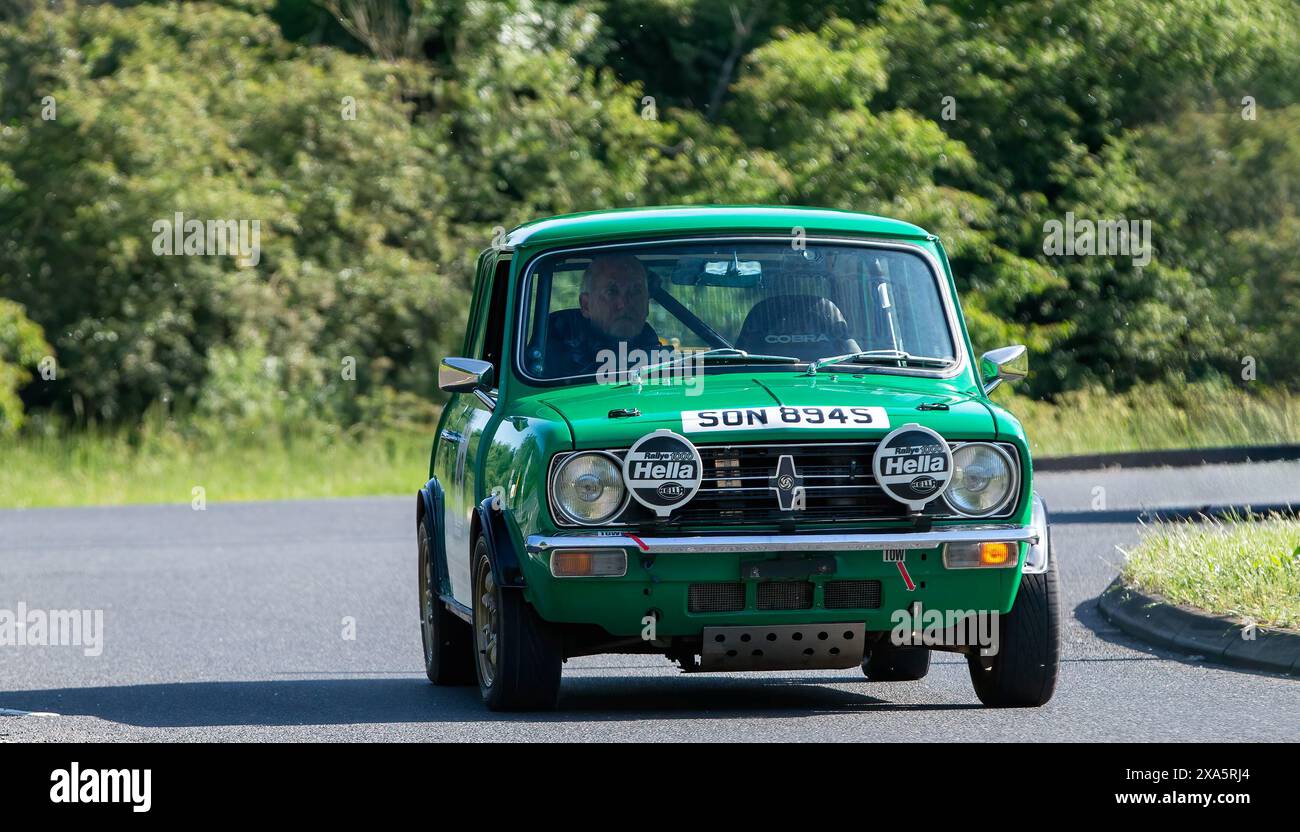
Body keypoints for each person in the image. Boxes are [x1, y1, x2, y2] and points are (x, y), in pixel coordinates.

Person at [543, 254, 660, 376]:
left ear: (647, 305)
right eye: (611, 291)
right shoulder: (551, 374)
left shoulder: (666, 365)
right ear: (586, 305)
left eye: (636, 291)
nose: (624, 304)